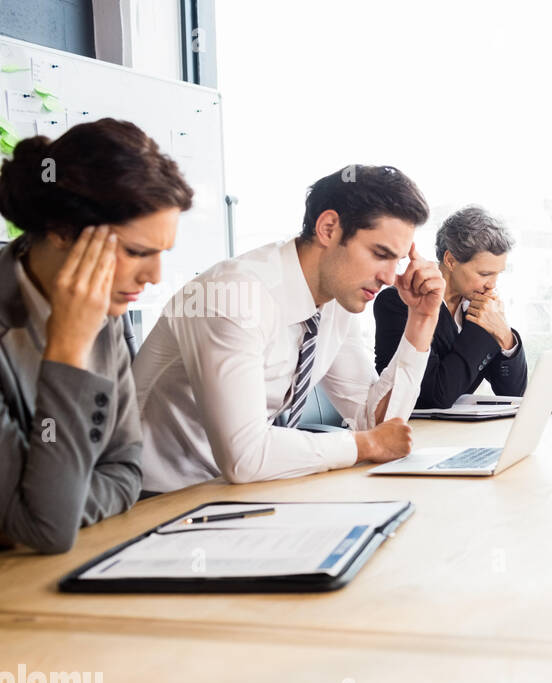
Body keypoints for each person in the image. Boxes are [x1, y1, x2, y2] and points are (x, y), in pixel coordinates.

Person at [133, 165, 445, 493]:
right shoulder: (233, 295)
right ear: (328, 228)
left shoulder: (337, 302)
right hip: (153, 501)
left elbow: (379, 427)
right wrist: (362, 445)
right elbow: (245, 456)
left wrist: (421, 321)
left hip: (238, 490)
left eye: (396, 261)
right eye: (379, 254)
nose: (388, 278)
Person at [0, 119, 192, 553]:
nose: (154, 276)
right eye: (137, 252)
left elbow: (125, 470)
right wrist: (67, 349)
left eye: (161, 254)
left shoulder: (106, 314)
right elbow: (47, 528)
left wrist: (46, 511)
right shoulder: (85, 319)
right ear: (63, 231)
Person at [373, 204, 525, 408]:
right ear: (451, 261)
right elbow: (437, 394)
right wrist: (482, 328)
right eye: (485, 274)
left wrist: (505, 337)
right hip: (411, 430)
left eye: (498, 274)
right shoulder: (399, 303)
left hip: (456, 431)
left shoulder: (477, 304)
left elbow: (513, 394)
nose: (492, 284)